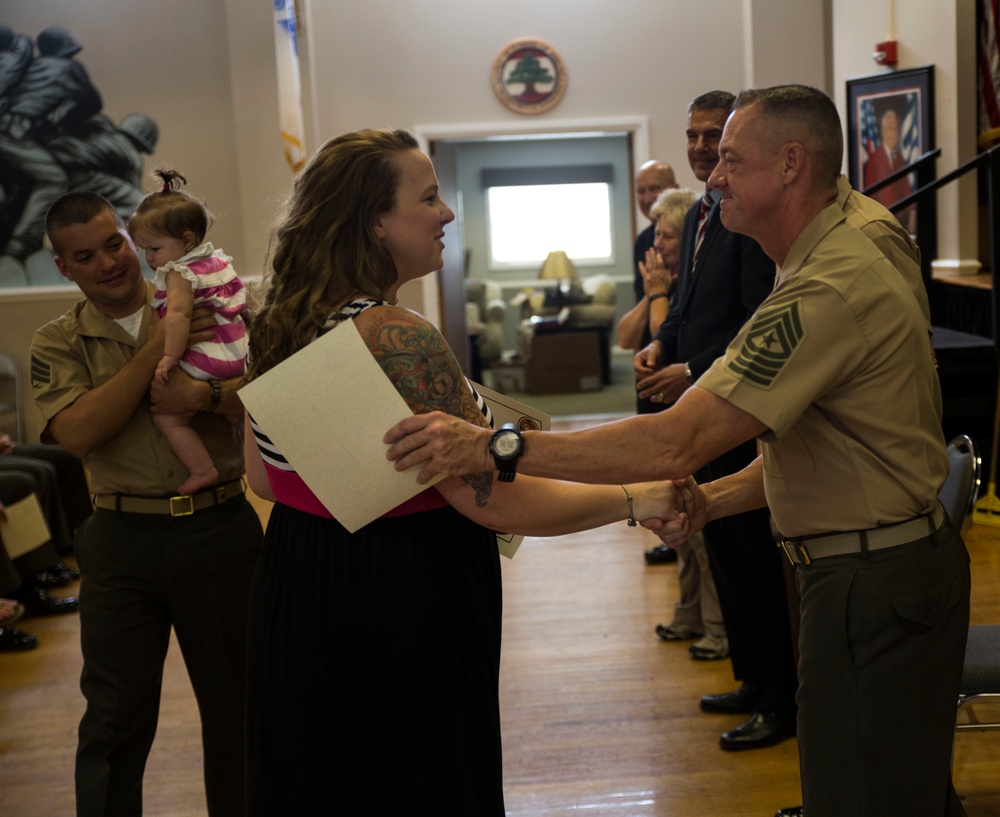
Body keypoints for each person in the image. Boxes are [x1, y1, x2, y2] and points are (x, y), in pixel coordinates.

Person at [384, 85, 969, 817]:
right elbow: (833, 448)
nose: (712, 175)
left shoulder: (828, 284)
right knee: (903, 790)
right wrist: (713, 501)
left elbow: (675, 439)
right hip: (886, 564)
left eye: (728, 157)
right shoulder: (859, 226)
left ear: (790, 164)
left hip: (870, 584)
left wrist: (494, 446)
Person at [240, 128, 679, 816]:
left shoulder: (278, 323)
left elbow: (265, 480)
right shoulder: (394, 332)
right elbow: (493, 502)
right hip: (398, 590)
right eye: (430, 197)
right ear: (374, 221)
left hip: (301, 576)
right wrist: (633, 497)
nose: (447, 213)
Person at [34, 191, 262, 817]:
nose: (109, 262)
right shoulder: (59, 341)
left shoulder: (212, 300)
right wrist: (157, 348)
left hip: (221, 529)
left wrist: (206, 399)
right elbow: (78, 433)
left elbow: (270, 398)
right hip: (120, 540)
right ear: (65, 267)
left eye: (115, 243)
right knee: (114, 723)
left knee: (241, 714)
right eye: (86, 255)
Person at [635, 90, 797, 735]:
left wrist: (693, 372)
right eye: (695, 136)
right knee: (724, 555)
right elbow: (687, 307)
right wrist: (660, 343)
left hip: (735, 409)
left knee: (754, 562)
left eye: (715, 139)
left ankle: (779, 702)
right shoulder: (704, 208)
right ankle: (752, 679)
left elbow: (759, 318)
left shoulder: (753, 218)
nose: (703, 149)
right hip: (701, 405)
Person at [127, 169, 247, 495]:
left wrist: (169, 356)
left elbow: (178, 317)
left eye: (154, 249)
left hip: (204, 361)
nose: (150, 259)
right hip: (234, 354)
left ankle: (202, 469)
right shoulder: (217, 261)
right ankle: (258, 460)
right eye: (144, 251)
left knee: (169, 419)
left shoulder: (179, 272)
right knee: (239, 416)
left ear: (187, 241)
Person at [863, 107, 916, 232]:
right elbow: (869, 196)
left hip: (901, 223)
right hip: (883, 224)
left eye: (896, 129)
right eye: (891, 129)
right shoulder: (874, 160)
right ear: (884, 132)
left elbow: (906, 191)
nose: (894, 133)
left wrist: (912, 212)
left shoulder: (899, 159)